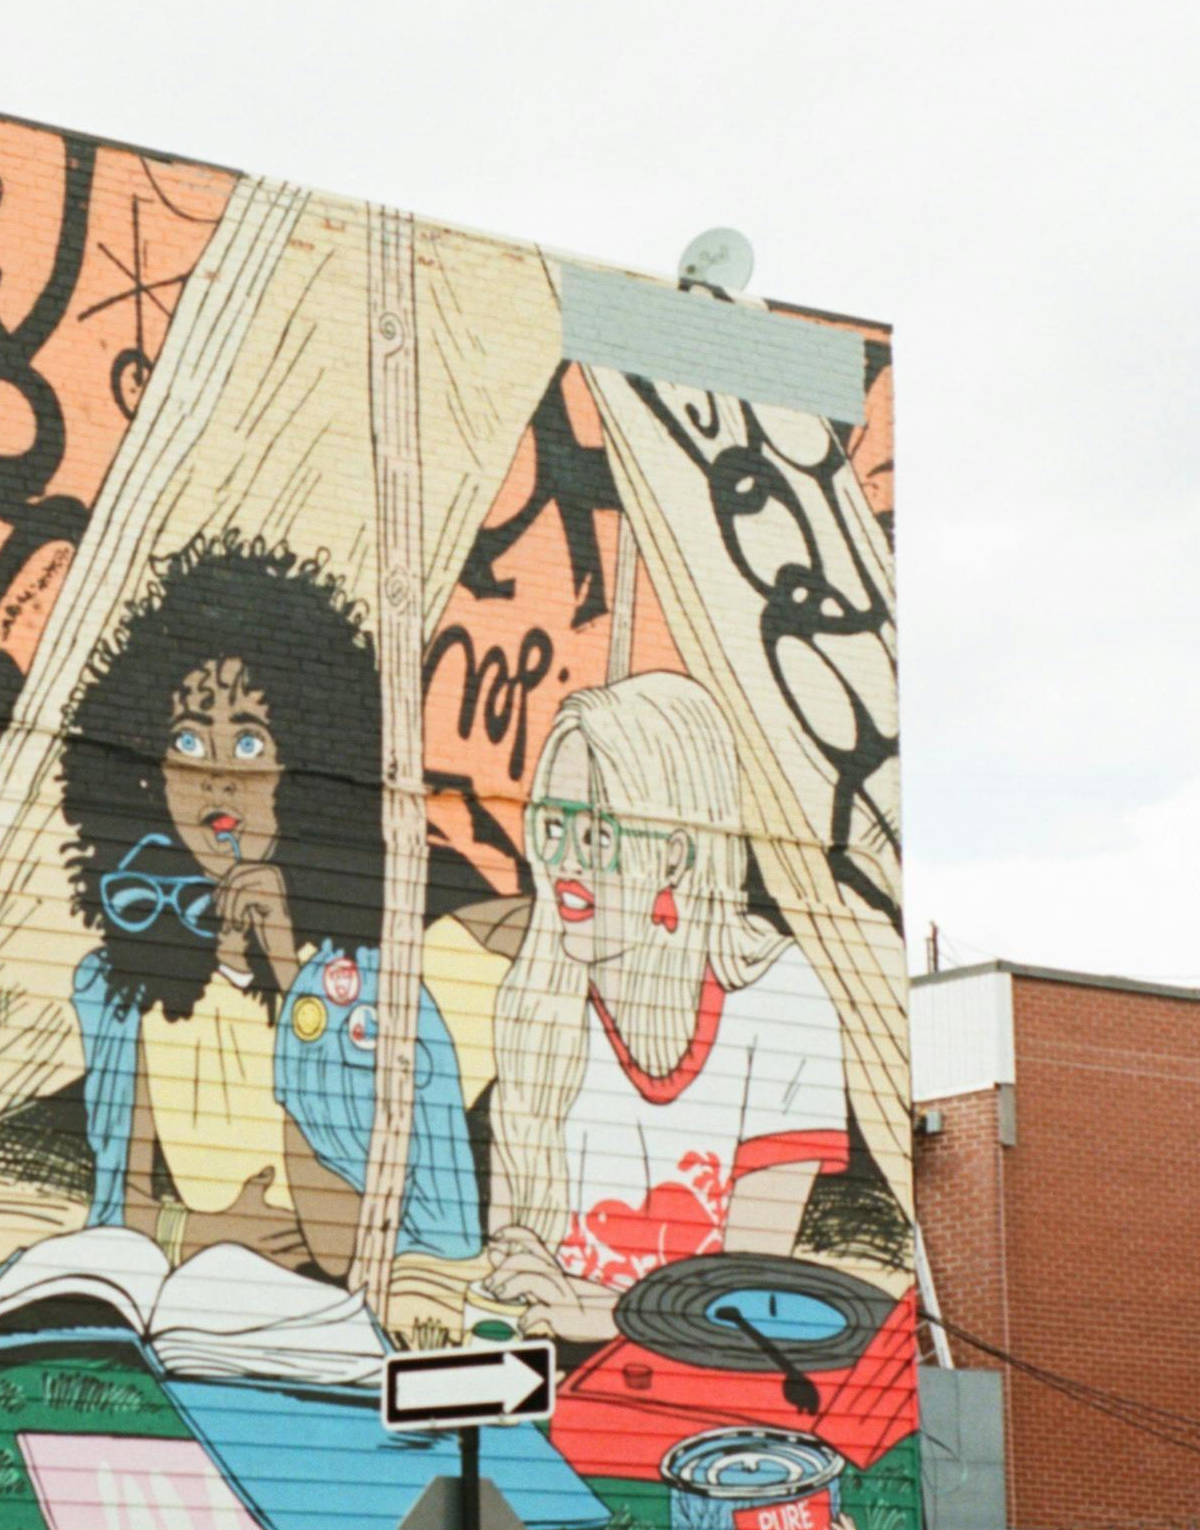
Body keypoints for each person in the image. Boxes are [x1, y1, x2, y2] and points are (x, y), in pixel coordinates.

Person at [58, 539, 477, 1290]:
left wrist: (294, 980)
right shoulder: (123, 985)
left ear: (310, 766)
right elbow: (119, 1209)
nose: (218, 776)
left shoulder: (382, 1002)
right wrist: (206, 1234)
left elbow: (357, 1247)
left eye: (250, 741)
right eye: (188, 740)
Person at [484, 670, 850, 1343]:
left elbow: (752, 1298)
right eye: (551, 827)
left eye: (597, 836)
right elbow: (514, 1269)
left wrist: (613, 1316)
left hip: (723, 1416)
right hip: (559, 1401)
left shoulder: (781, 1002)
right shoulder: (535, 1007)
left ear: (676, 854)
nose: (564, 864)